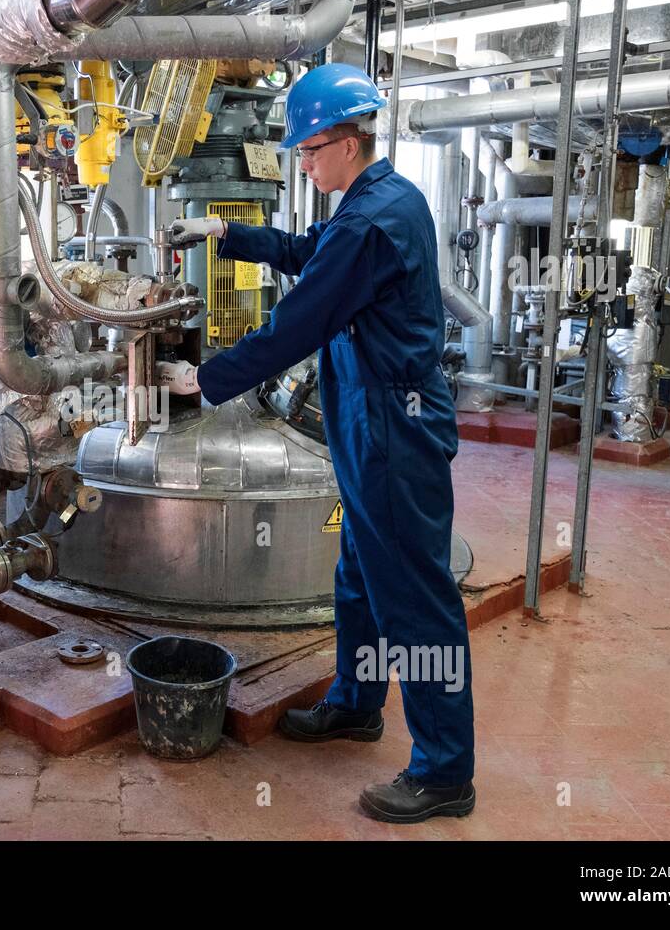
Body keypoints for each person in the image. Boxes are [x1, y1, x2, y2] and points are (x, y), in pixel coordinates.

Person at [158, 63, 476, 824]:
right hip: (370, 414)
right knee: (361, 574)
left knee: (416, 596)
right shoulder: (377, 199)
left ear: (346, 141)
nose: (299, 162)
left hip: (394, 425)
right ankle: (357, 703)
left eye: (307, 150)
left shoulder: (372, 219)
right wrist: (228, 233)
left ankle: (445, 772)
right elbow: (313, 251)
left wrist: (202, 381)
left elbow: (299, 321)